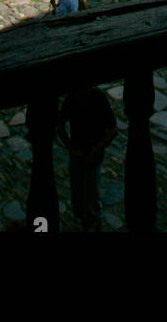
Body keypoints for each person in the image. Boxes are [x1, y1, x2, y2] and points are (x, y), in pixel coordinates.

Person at [57, 85, 118, 232]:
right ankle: (91, 225)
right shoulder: (91, 98)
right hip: (85, 155)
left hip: (87, 156)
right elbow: (113, 129)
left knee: (88, 196)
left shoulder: (88, 98)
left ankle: (92, 225)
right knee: (84, 195)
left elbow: (60, 126)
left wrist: (73, 148)